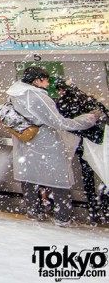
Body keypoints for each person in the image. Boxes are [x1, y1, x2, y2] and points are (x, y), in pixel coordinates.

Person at [6, 67, 100, 226]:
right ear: (37, 80)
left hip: (25, 140)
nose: (48, 83)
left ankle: (34, 212)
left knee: (30, 177)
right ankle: (63, 217)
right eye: (46, 80)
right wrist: (88, 119)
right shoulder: (36, 96)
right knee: (58, 179)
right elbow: (59, 122)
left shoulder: (14, 94)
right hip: (46, 142)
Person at [53, 77, 109, 223]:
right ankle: (104, 205)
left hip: (82, 144)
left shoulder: (63, 103)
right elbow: (105, 114)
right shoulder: (88, 99)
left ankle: (93, 208)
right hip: (100, 142)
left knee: (88, 177)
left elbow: (63, 123)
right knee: (104, 172)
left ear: (61, 90)